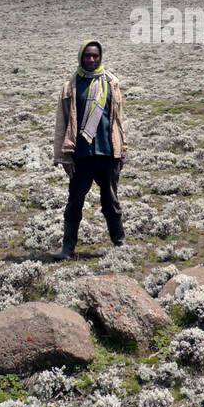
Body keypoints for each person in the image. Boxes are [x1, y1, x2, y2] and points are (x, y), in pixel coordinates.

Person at [53, 40, 126, 259]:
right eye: (87, 56)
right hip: (81, 154)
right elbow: (62, 122)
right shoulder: (71, 86)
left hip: (107, 151)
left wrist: (122, 148)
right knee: (75, 202)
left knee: (110, 201)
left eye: (95, 56)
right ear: (81, 57)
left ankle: (120, 242)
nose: (92, 59)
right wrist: (63, 156)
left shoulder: (111, 83)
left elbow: (118, 119)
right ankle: (68, 248)